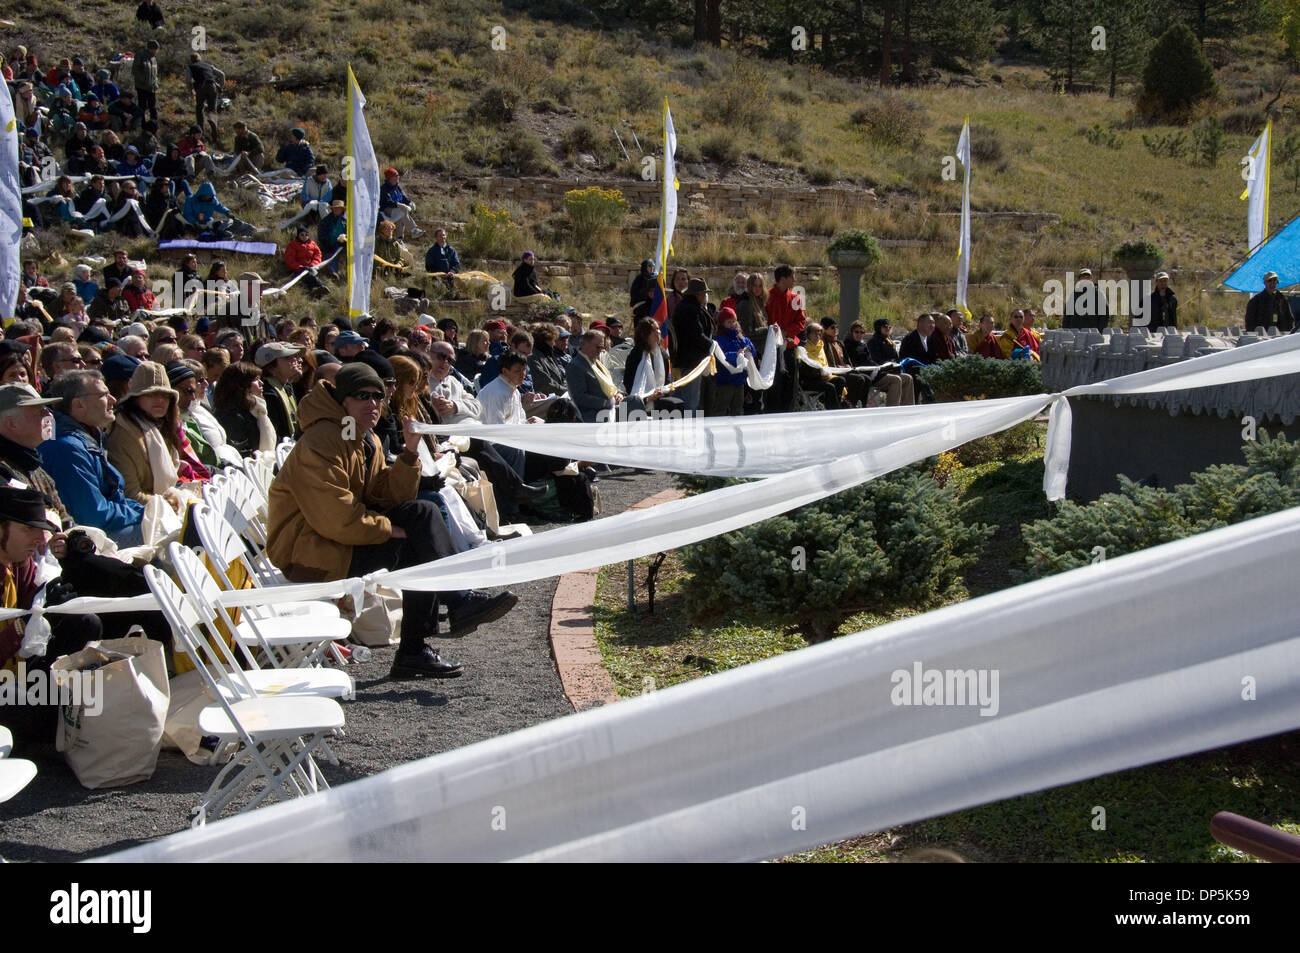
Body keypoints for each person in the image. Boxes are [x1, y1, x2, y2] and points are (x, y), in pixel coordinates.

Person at [267, 362, 518, 679]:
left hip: (335, 540)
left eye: (378, 396)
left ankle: (448, 613)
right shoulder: (322, 441)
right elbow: (337, 519)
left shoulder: (359, 435)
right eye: (362, 396)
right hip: (309, 552)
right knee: (416, 545)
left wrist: (410, 455)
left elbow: (386, 495)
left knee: (423, 512)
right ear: (342, 400)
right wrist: (390, 529)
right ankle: (433, 628)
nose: (373, 404)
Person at [0, 486, 100, 681]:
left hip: (16, 665)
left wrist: (53, 598)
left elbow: (31, 601)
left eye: (40, 531)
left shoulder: (18, 561)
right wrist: (25, 624)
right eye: (28, 529)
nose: (38, 540)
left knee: (85, 622)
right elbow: (25, 620)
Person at [39, 370, 146, 547]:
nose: (113, 400)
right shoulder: (66, 448)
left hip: (109, 526)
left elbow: (112, 499)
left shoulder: (90, 436)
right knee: (175, 536)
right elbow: (93, 516)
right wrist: (143, 515)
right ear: (79, 404)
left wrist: (145, 510)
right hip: (87, 541)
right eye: (104, 395)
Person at [106, 361, 207, 508]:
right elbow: (131, 495)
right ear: (135, 399)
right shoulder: (124, 434)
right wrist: (175, 504)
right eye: (151, 394)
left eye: (165, 396)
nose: (160, 400)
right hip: (144, 514)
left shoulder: (159, 428)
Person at [170, 360, 242, 470]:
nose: (193, 397)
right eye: (189, 391)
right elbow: (190, 465)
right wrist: (219, 471)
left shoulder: (193, 417)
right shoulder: (170, 425)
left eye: (206, 379)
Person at [568, 330, 640, 423]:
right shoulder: (575, 366)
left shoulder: (598, 363)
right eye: (598, 347)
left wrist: (619, 394)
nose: (601, 350)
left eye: (602, 347)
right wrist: (605, 403)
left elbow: (612, 383)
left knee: (635, 400)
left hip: (611, 407)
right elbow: (579, 397)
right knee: (635, 404)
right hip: (595, 413)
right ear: (585, 345)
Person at [765, 266, 808, 413]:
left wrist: (786, 332)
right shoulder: (767, 296)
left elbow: (801, 322)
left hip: (789, 347)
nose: (794, 280)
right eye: (792, 277)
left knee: (790, 386)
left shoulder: (796, 298)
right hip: (771, 349)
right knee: (773, 385)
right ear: (783, 279)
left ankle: (787, 417)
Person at [211, 361, 277, 457]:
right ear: (241, 384)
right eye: (256, 379)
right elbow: (242, 452)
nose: (261, 383)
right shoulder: (231, 416)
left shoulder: (256, 410)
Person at [669, 278, 715, 413]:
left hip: (683, 360)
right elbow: (696, 335)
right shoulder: (691, 310)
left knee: (680, 399)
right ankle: (690, 430)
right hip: (691, 361)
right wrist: (711, 345)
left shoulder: (686, 307)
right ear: (698, 294)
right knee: (691, 402)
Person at [708, 307, 755, 417]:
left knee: (738, 409)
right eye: (729, 322)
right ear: (722, 324)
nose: (732, 324)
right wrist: (736, 355)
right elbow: (722, 357)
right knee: (721, 408)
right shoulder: (718, 339)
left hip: (739, 380)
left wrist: (749, 349)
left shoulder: (741, 338)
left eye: (734, 321)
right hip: (725, 380)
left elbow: (752, 350)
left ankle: (738, 432)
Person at [255, 343, 303, 443]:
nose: (295, 360)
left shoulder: (287, 387)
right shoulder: (267, 393)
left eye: (294, 356)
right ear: (271, 367)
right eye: (287, 357)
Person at [281, 164, 333, 230]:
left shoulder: (328, 183)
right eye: (322, 175)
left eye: (326, 175)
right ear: (318, 175)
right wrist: (310, 200)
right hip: (310, 204)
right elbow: (304, 195)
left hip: (322, 204)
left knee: (325, 209)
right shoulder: (309, 181)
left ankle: (328, 227)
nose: (324, 177)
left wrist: (321, 201)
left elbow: (329, 195)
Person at [379, 167, 423, 239]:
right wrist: (398, 204)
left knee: (401, 216)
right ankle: (413, 230)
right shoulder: (384, 188)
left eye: (397, 176)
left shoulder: (397, 187)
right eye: (395, 177)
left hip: (397, 210)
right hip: (387, 210)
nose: (397, 179)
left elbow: (404, 198)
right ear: (389, 179)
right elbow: (387, 201)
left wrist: (410, 203)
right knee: (402, 211)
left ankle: (399, 238)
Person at [188, 53, 225, 136]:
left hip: (200, 87)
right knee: (212, 109)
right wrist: (220, 88)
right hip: (212, 86)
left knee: (199, 108)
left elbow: (188, 81)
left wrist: (191, 91)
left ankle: (200, 130)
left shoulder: (191, 67)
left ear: (191, 60)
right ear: (200, 59)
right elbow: (222, 74)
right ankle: (213, 123)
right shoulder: (208, 65)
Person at [132, 40, 160, 123]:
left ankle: (154, 124)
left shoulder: (153, 58)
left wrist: (156, 83)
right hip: (142, 87)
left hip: (152, 87)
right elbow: (135, 70)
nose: (156, 51)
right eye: (155, 49)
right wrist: (143, 80)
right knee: (142, 106)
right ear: (151, 48)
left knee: (153, 106)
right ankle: (142, 124)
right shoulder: (140, 55)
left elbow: (155, 73)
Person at [318, 200, 347, 277]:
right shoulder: (325, 221)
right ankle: (333, 274)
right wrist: (331, 242)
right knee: (330, 255)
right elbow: (322, 235)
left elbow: (350, 234)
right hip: (329, 246)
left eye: (338, 208)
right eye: (335, 208)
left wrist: (345, 239)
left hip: (344, 245)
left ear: (342, 210)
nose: (336, 210)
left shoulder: (346, 222)